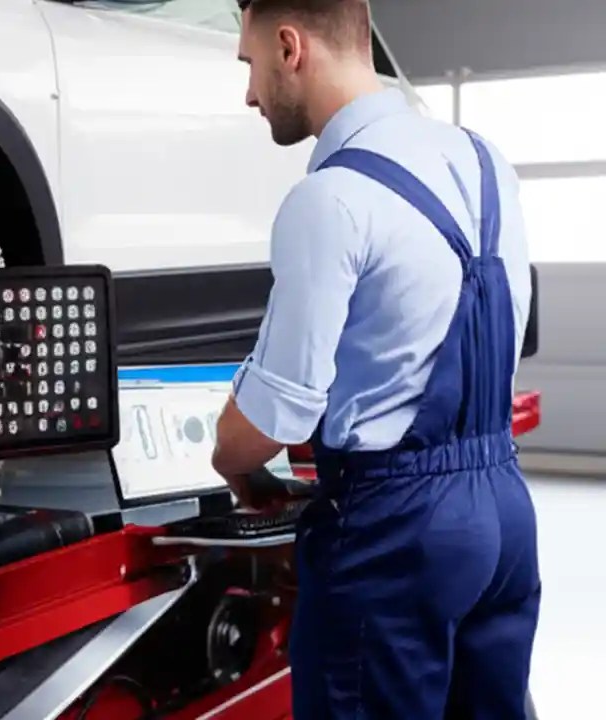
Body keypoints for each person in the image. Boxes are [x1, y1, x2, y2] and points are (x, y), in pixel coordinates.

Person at [209, 0, 541, 717]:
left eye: (250, 63)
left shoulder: (329, 199)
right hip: (506, 515)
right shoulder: (485, 161)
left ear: (290, 47)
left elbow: (274, 415)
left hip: (395, 535)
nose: (250, 94)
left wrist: (232, 462)